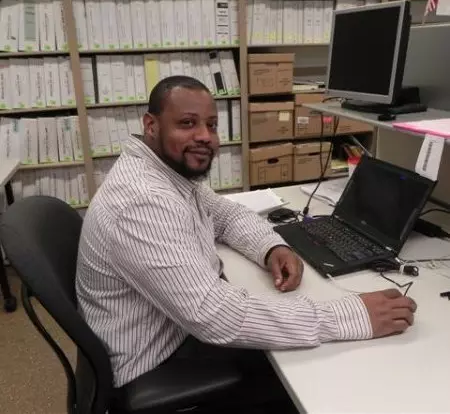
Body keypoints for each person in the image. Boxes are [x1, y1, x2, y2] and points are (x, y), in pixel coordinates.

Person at [76, 76, 416, 411]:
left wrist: (272, 248)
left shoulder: (166, 173)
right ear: (151, 125)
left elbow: (225, 216)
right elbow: (216, 316)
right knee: (325, 375)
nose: (204, 137)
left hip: (170, 326)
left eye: (211, 125)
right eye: (187, 123)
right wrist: (350, 315)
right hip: (155, 359)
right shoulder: (144, 199)